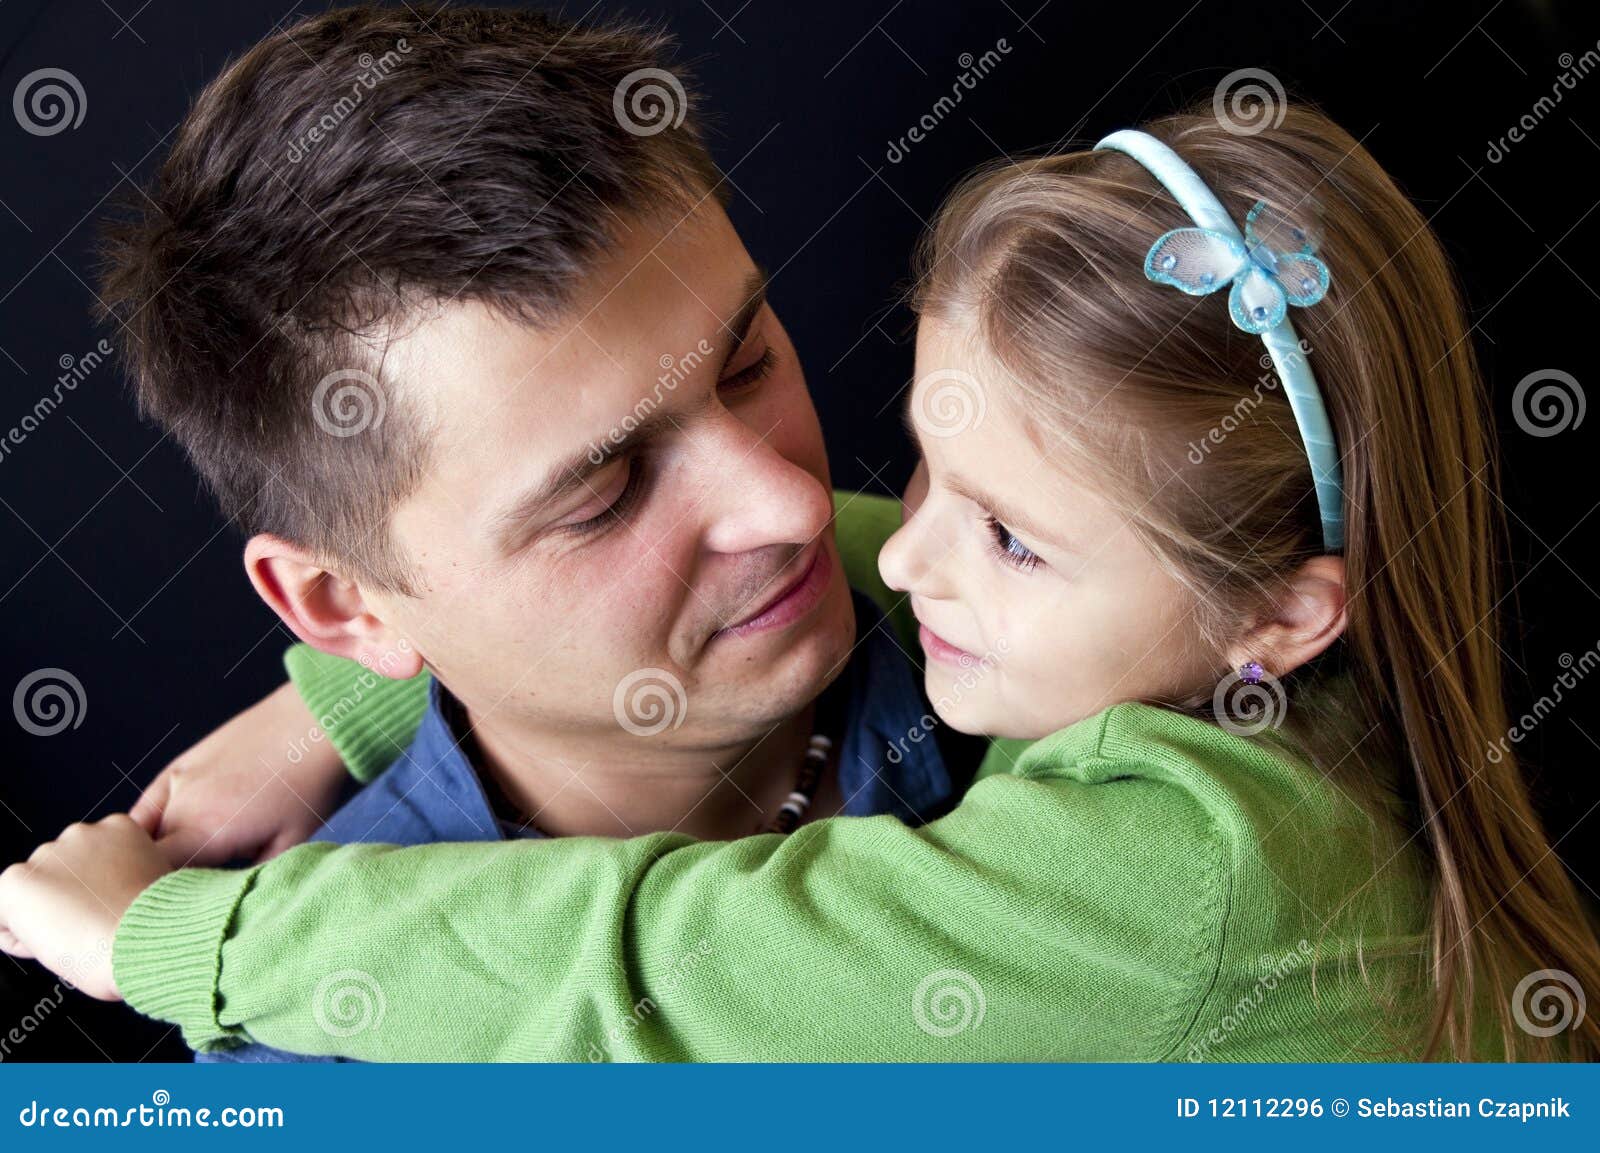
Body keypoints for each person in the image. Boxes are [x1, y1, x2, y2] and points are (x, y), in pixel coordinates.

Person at [7, 92, 1599, 1059]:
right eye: (608, 483)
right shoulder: (327, 1081)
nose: (819, 514)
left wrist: (183, 941)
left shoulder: (1189, 869)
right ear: (349, 598)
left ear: (1282, 612)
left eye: (753, 359)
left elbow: (645, 978)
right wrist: (330, 705)